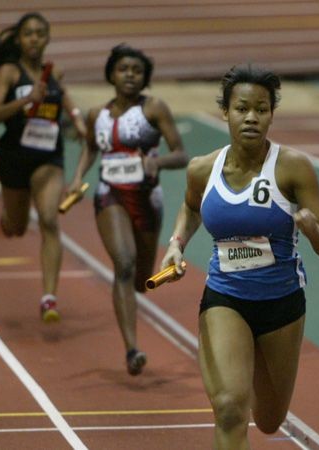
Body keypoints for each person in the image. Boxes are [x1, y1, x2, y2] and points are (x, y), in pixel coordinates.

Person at [159, 64, 319, 447]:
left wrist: (312, 229)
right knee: (229, 409)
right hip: (225, 299)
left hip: (281, 304)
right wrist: (176, 243)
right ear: (225, 112)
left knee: (270, 420)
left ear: (272, 114)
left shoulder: (293, 167)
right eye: (242, 109)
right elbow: (191, 207)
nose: (251, 118)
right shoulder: (202, 169)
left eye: (261, 109)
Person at [71, 44, 188, 376]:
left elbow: (181, 154)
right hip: (110, 196)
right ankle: (132, 349)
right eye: (123, 69)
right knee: (123, 264)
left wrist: (157, 162)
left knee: (141, 281)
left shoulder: (154, 108)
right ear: (111, 74)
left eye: (137, 71)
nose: (130, 76)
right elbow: (90, 148)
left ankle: (151, 278)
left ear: (145, 78)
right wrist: (78, 177)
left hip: (147, 200)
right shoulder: (96, 115)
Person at [0, 12, 86, 321]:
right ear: (19, 39)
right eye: (28, 33)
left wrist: (79, 122)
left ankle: (49, 298)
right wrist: (26, 99)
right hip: (14, 157)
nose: (34, 38)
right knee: (16, 228)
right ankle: (8, 216)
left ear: (47, 39)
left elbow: (68, 104)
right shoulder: (9, 72)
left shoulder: (54, 72)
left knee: (48, 219)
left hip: (48, 158)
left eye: (40, 33)